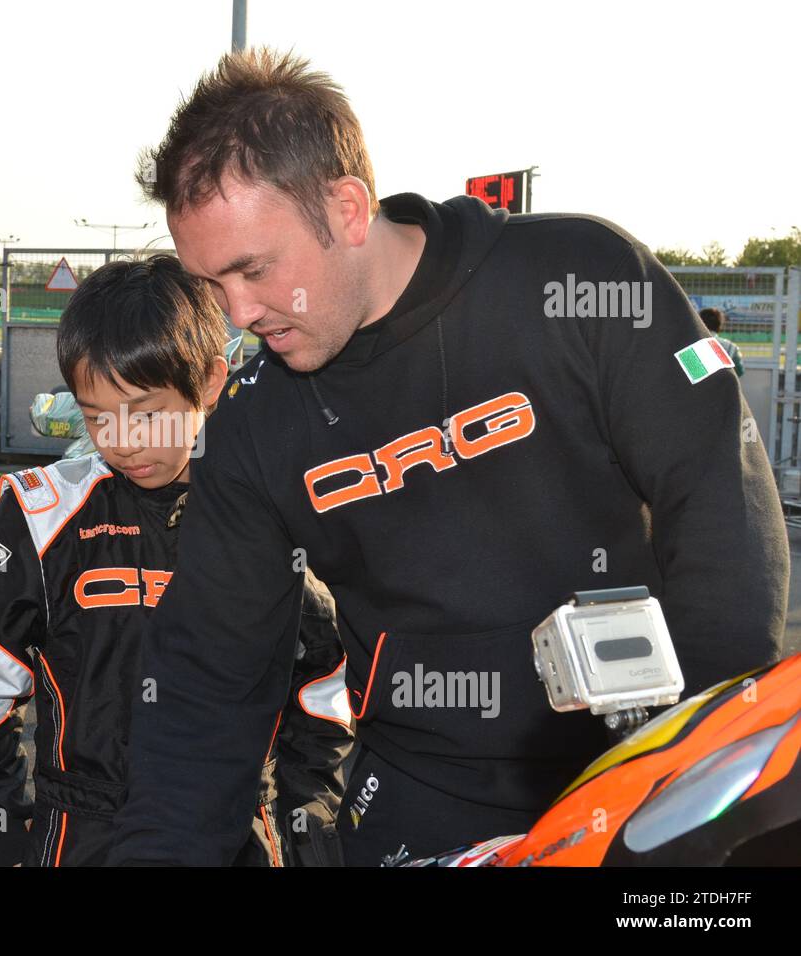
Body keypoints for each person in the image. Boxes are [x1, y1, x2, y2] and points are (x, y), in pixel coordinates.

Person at [110, 48, 788, 866]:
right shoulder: (256, 426)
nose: (238, 312)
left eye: (254, 271)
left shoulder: (581, 279)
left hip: (648, 764)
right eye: (211, 283)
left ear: (349, 209)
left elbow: (722, 512)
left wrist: (699, 768)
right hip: (421, 794)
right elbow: (205, 681)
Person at [0, 256, 353, 867]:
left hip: (235, 828)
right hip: (82, 831)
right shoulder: (39, 514)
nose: (121, 439)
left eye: (145, 412)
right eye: (97, 415)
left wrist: (308, 813)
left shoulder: (275, 513)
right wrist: (2, 826)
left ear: (210, 383)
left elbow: (323, 677)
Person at [699, 307, 744, 377]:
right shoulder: (731, 347)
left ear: (698, 322)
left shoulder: (691, 345)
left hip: (697, 387)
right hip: (723, 386)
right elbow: (739, 371)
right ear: (719, 324)